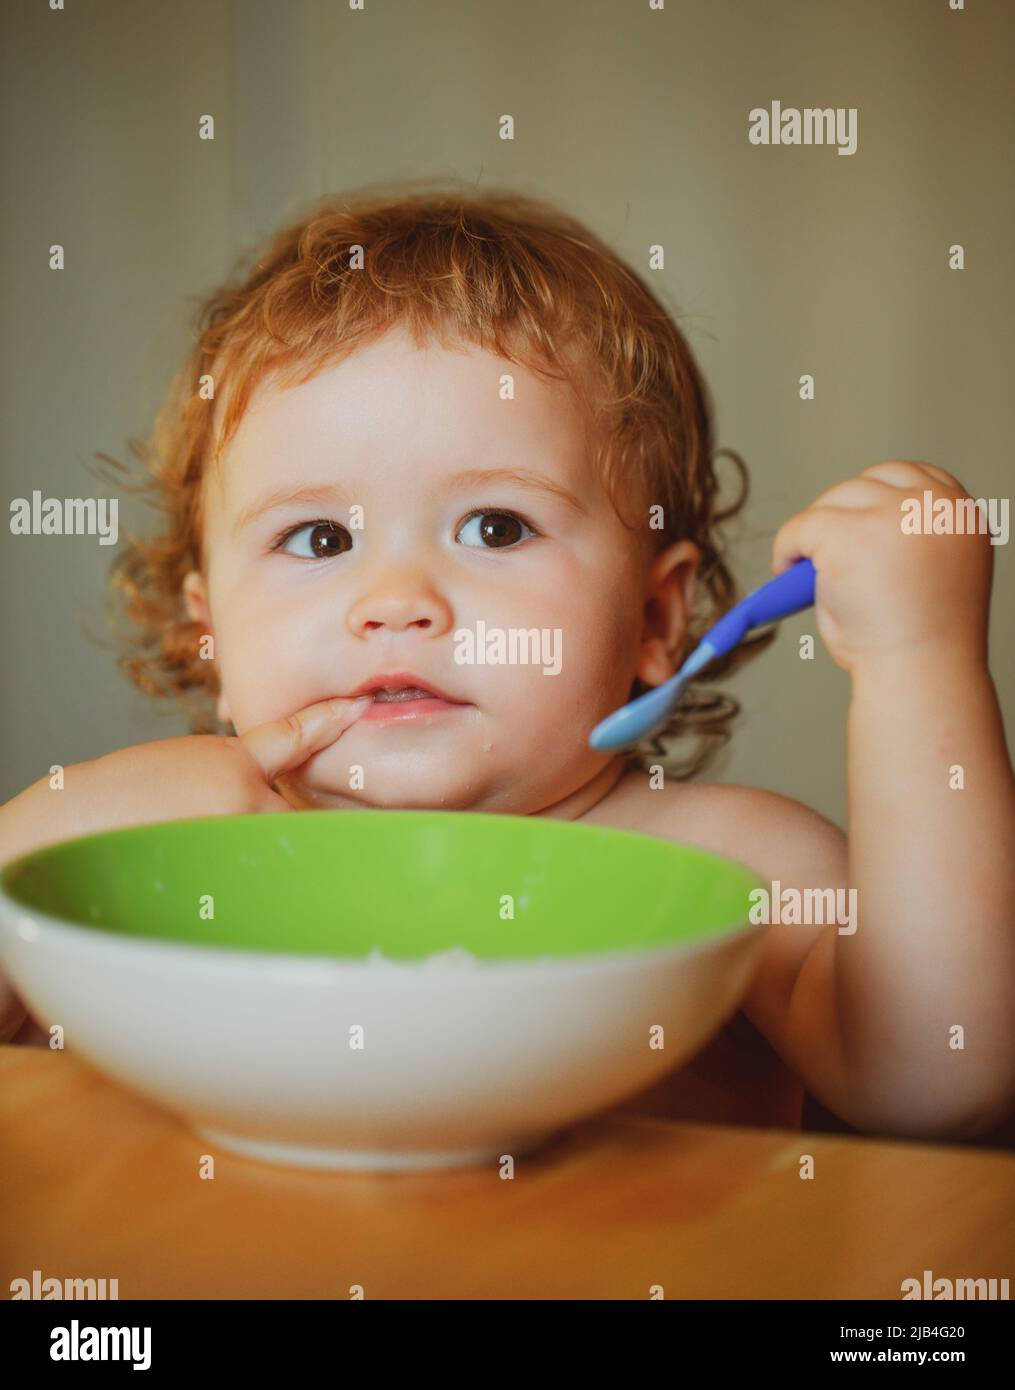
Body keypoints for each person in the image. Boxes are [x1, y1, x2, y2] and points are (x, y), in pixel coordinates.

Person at [2, 183, 1012, 1144]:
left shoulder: (724, 865)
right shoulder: (159, 863)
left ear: (657, 618)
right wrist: (59, 824)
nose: (395, 600)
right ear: (207, 633)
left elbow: (938, 1076)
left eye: (494, 525)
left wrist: (916, 656)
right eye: (316, 539)